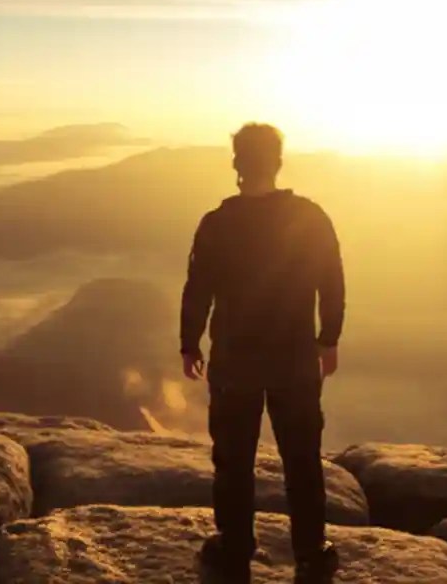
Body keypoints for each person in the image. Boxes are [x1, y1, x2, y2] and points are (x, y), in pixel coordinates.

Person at [180, 123, 345, 582]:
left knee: (233, 459)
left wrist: (190, 343)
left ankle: (234, 546)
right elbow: (331, 281)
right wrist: (329, 339)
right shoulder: (310, 217)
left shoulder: (217, 223)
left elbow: (198, 290)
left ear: (237, 163)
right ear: (277, 162)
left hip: (235, 362)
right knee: (302, 457)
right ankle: (311, 550)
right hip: (294, 359)